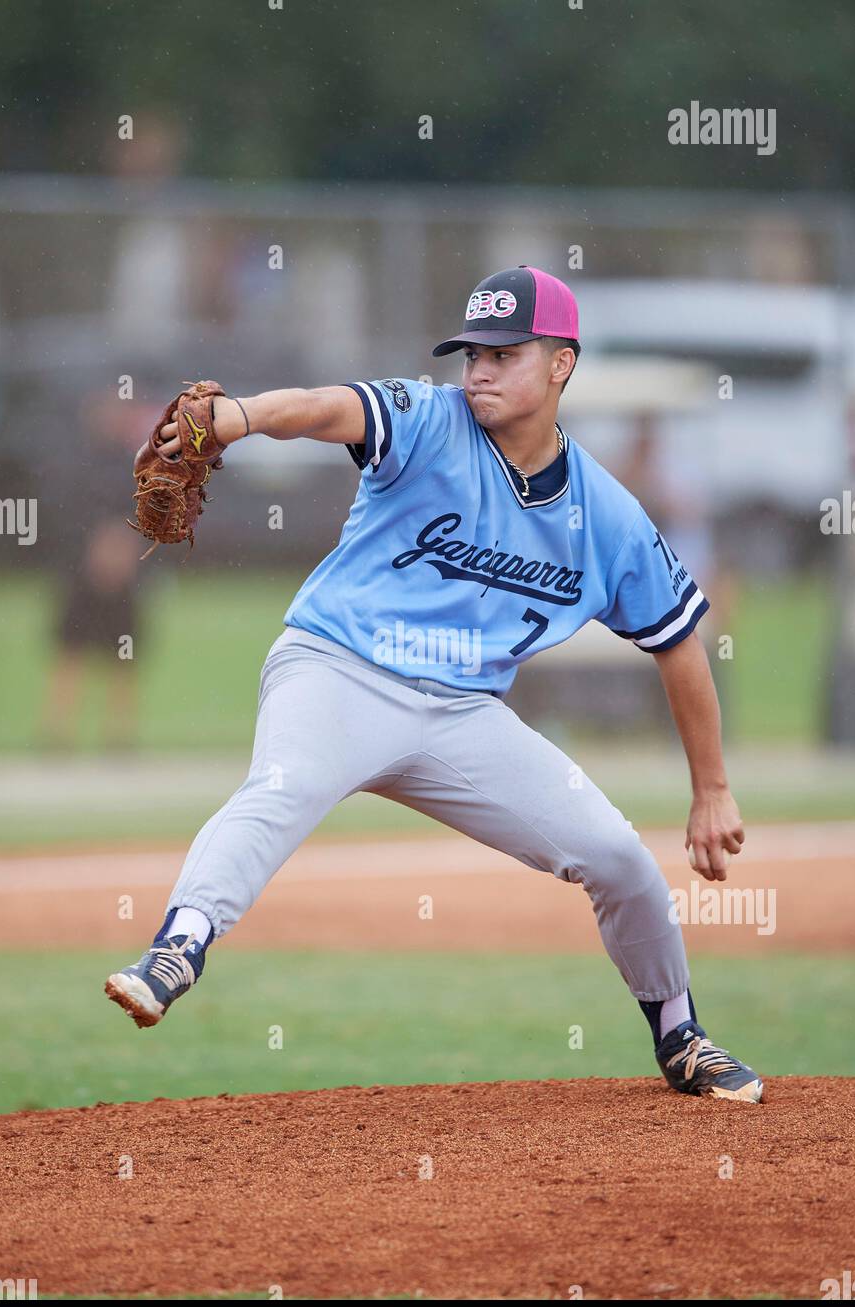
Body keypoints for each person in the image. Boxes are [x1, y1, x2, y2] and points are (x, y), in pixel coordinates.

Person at [105, 266, 762, 1103]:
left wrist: (711, 789)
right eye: (471, 353)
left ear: (561, 363)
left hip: (460, 716)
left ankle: (682, 1038)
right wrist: (239, 417)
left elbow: (679, 642)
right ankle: (177, 947)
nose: (478, 370)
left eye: (503, 353)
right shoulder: (427, 420)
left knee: (620, 860)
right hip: (336, 669)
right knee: (283, 786)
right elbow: (323, 406)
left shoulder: (607, 514)